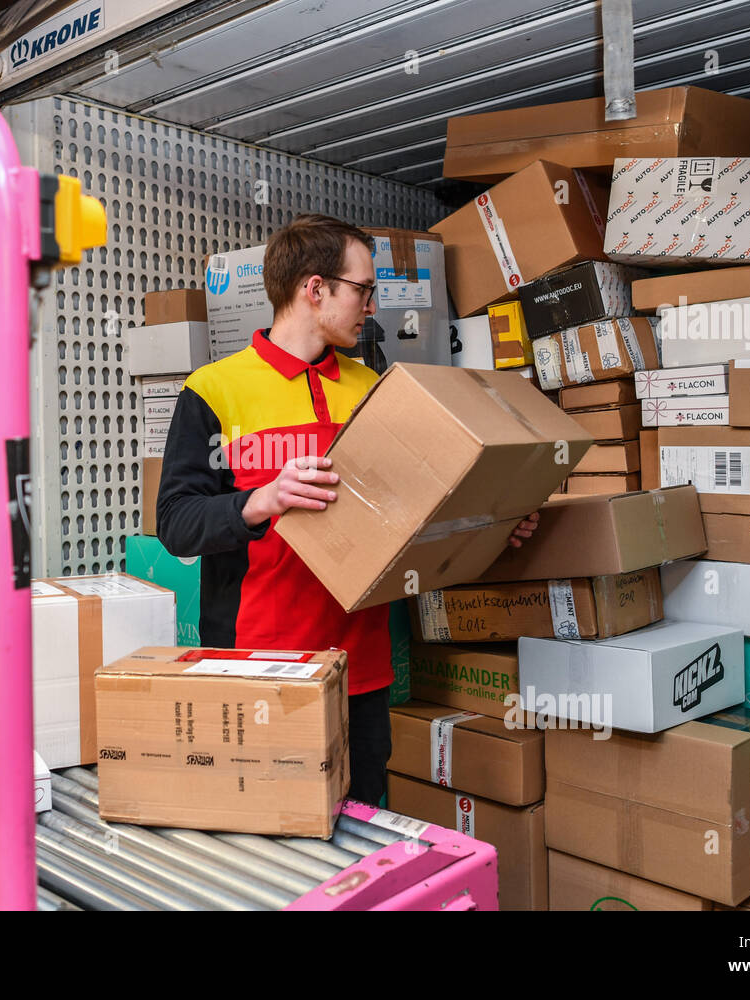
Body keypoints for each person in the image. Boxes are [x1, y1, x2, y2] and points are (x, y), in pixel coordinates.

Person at [155, 214, 539, 805]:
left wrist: (491, 519)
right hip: (260, 666)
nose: (371, 306)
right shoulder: (214, 390)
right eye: (361, 289)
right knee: (273, 842)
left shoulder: (372, 387)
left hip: (359, 667)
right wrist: (262, 499)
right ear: (315, 289)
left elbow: (415, 503)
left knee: (359, 830)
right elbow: (177, 525)